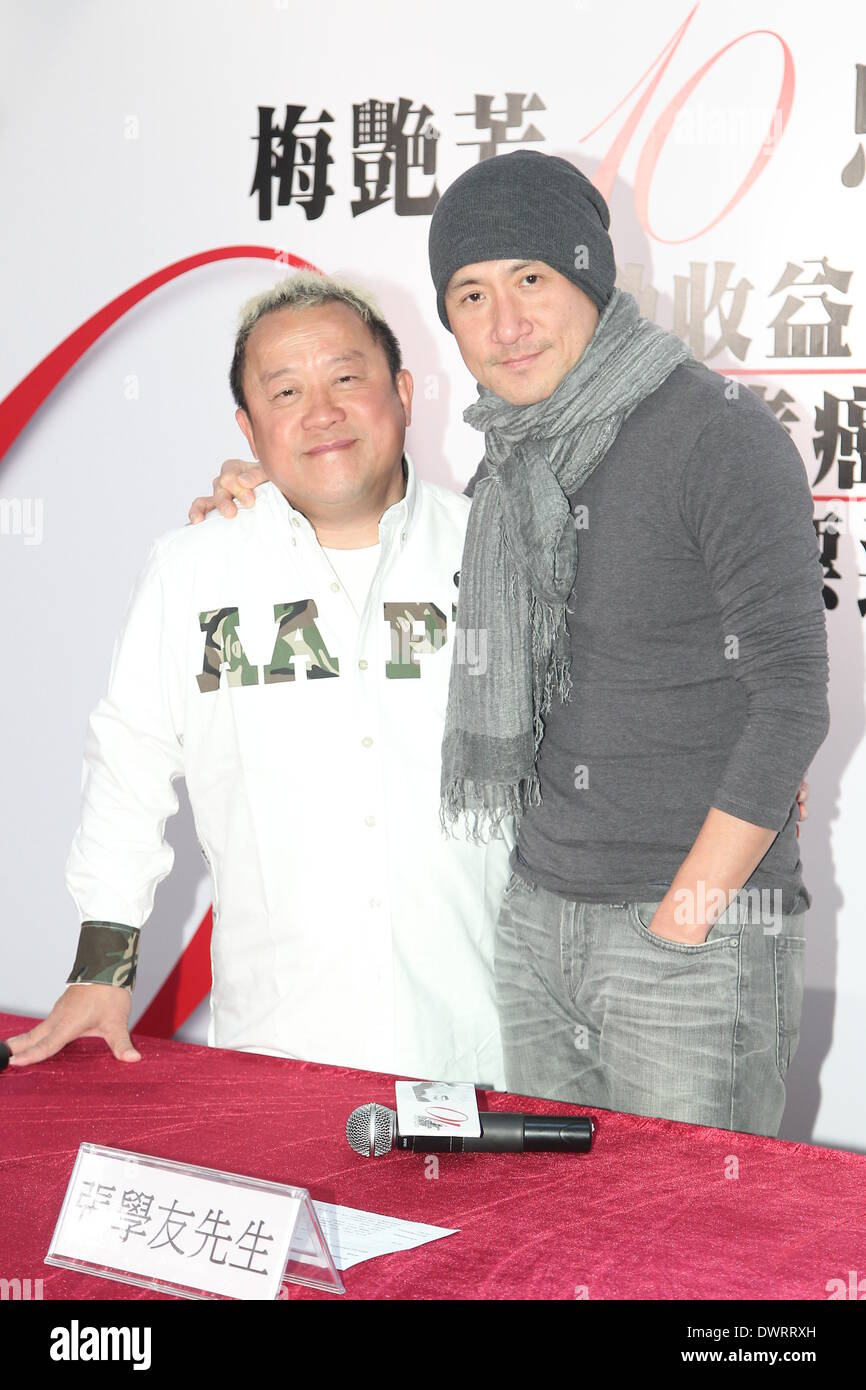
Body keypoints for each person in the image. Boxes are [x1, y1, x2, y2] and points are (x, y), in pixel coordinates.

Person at [194, 152, 827, 1137]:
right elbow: (399, 543)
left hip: (686, 940)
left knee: (673, 1260)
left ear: (590, 278)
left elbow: (788, 696)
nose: (505, 322)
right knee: (551, 1250)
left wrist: (679, 925)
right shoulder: (511, 464)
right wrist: (274, 502)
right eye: (471, 295)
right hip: (533, 930)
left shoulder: (714, 432)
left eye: (531, 278)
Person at [6, 272, 509, 1085]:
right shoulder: (193, 572)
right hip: (275, 1052)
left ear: (404, 392)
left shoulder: (498, 552)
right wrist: (103, 965)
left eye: (347, 377)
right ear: (248, 426)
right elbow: (128, 762)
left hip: (485, 1047)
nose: (322, 411)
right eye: (286, 392)